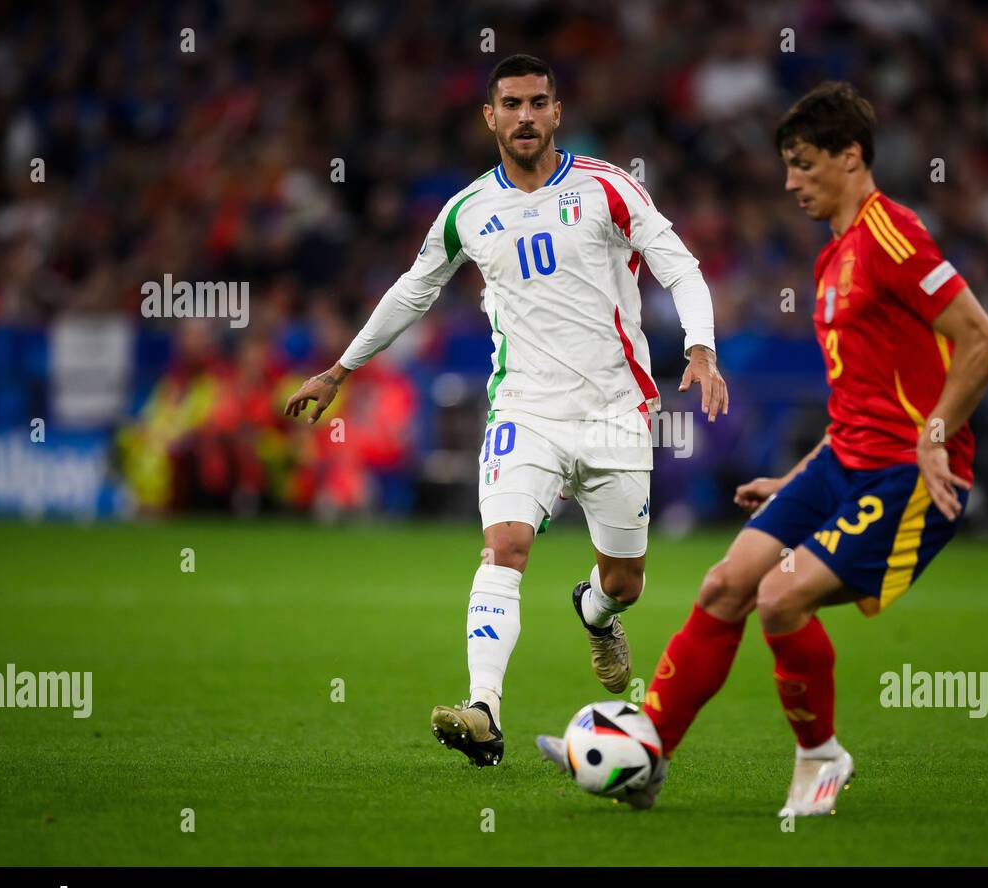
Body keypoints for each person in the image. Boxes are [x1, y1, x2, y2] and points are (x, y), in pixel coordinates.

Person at [540, 81, 988, 815]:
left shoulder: (894, 236)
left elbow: (984, 341)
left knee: (780, 598)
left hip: (904, 476)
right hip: (841, 461)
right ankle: (648, 751)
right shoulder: (831, 261)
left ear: (851, 157)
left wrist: (936, 436)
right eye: (787, 165)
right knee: (727, 585)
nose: (790, 182)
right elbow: (860, 398)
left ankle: (821, 759)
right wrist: (794, 478)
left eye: (804, 163)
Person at [284, 54, 728, 767]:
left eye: (538, 102)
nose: (525, 116)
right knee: (507, 545)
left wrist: (700, 351)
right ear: (489, 116)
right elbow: (412, 290)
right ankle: (484, 711)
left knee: (625, 582)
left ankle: (596, 613)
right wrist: (341, 369)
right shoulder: (467, 210)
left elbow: (680, 265)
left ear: (557, 112)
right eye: (511, 104)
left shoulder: (608, 189)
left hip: (616, 411)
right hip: (525, 409)